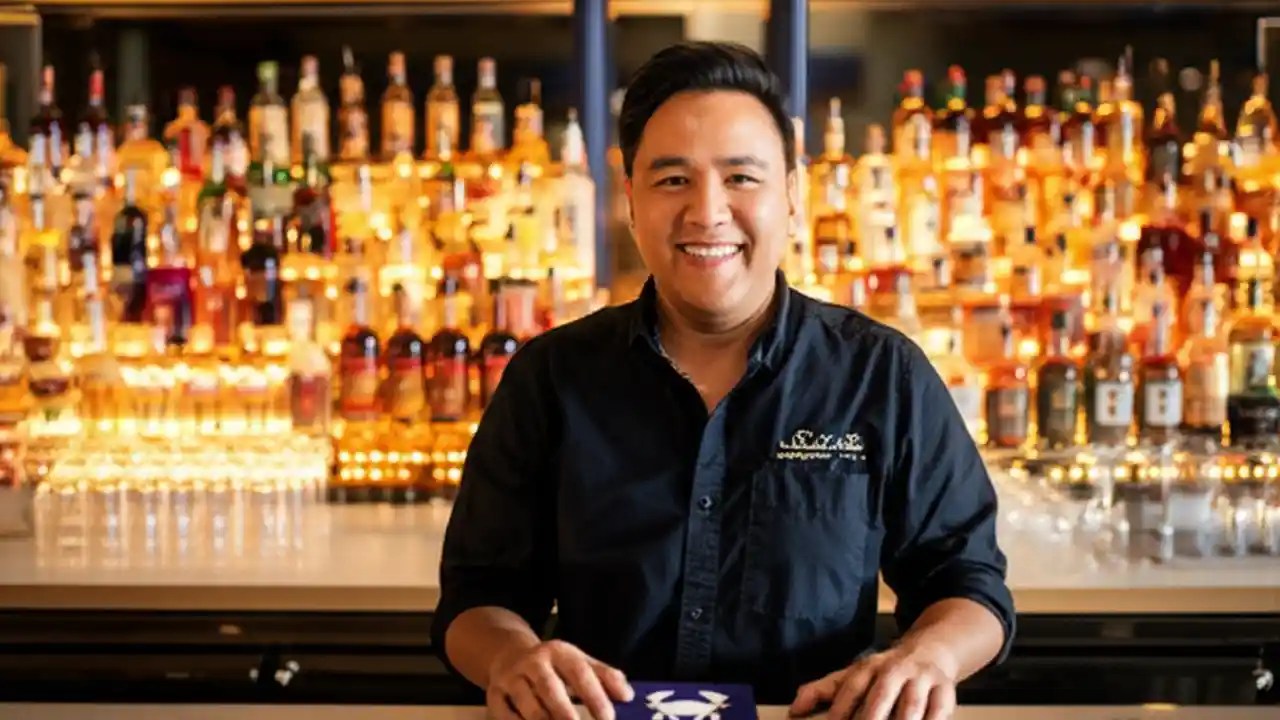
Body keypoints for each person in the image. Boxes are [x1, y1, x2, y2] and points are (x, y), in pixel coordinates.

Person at [432, 41, 1015, 720]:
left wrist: (928, 657)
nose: (707, 213)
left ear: (792, 197)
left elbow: (969, 582)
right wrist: (511, 656)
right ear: (630, 200)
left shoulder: (881, 374)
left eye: (741, 178)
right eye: (673, 179)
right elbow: (477, 596)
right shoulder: (552, 377)